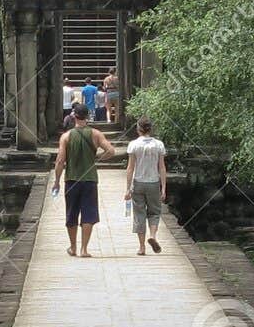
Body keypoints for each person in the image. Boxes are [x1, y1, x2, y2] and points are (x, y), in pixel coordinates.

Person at [51, 110, 116, 257]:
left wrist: (56, 181)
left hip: (71, 180)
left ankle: (73, 247)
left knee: (71, 213)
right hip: (90, 180)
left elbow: (60, 161)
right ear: (87, 117)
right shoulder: (96, 134)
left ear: (74, 117)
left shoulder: (66, 136)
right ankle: (84, 249)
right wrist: (97, 158)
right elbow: (111, 151)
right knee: (88, 214)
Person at [123, 118, 168, 255]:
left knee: (139, 214)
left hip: (138, 183)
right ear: (151, 129)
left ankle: (142, 247)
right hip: (153, 182)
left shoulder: (133, 145)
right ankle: (153, 236)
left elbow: (130, 168)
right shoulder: (158, 145)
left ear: (138, 129)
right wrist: (164, 187)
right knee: (154, 212)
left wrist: (127, 188)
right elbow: (162, 167)